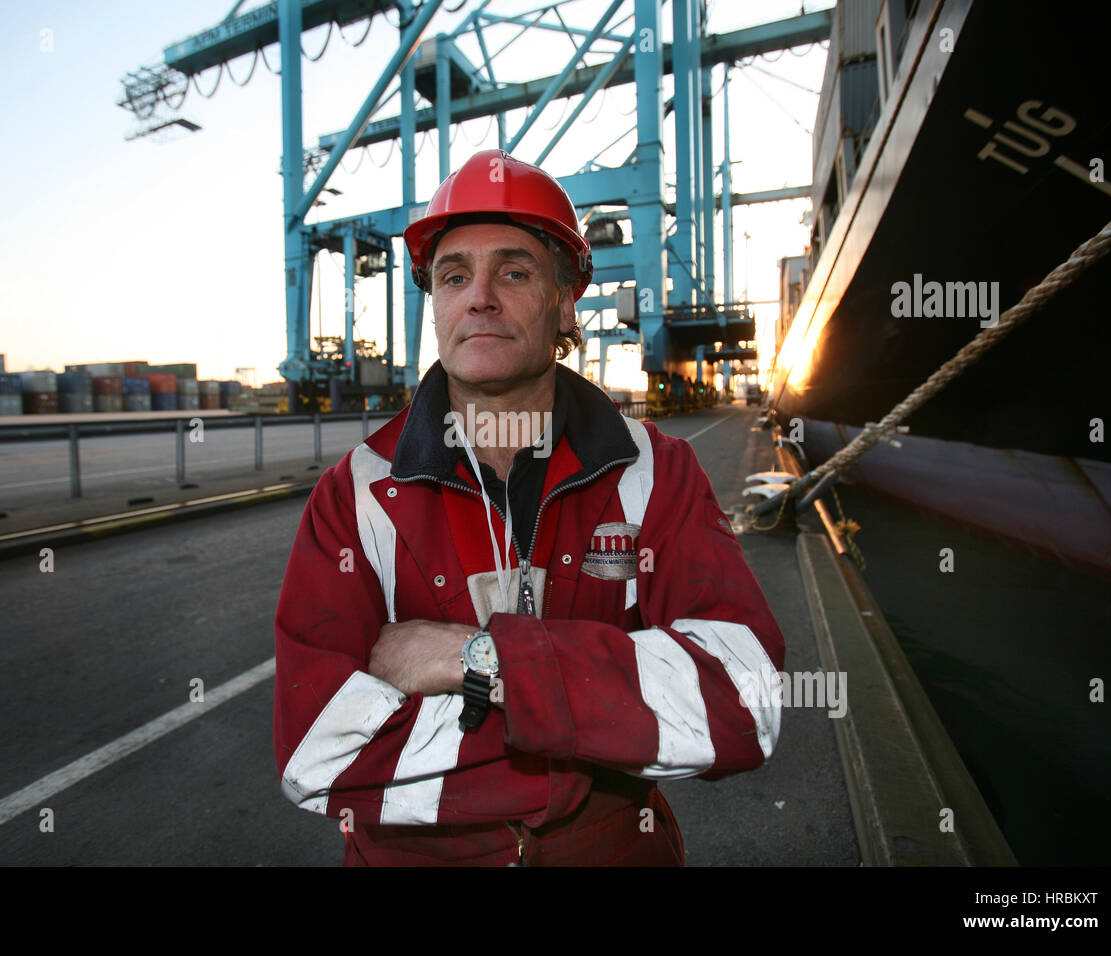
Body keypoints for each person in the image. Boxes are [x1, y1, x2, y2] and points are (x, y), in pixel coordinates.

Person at [273, 149, 785, 866]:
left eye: (513, 271)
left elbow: (741, 702)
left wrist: (472, 657)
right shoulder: (357, 493)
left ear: (566, 299)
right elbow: (317, 749)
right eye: (454, 276)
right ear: (436, 302)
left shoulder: (656, 471)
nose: (479, 296)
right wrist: (592, 747)